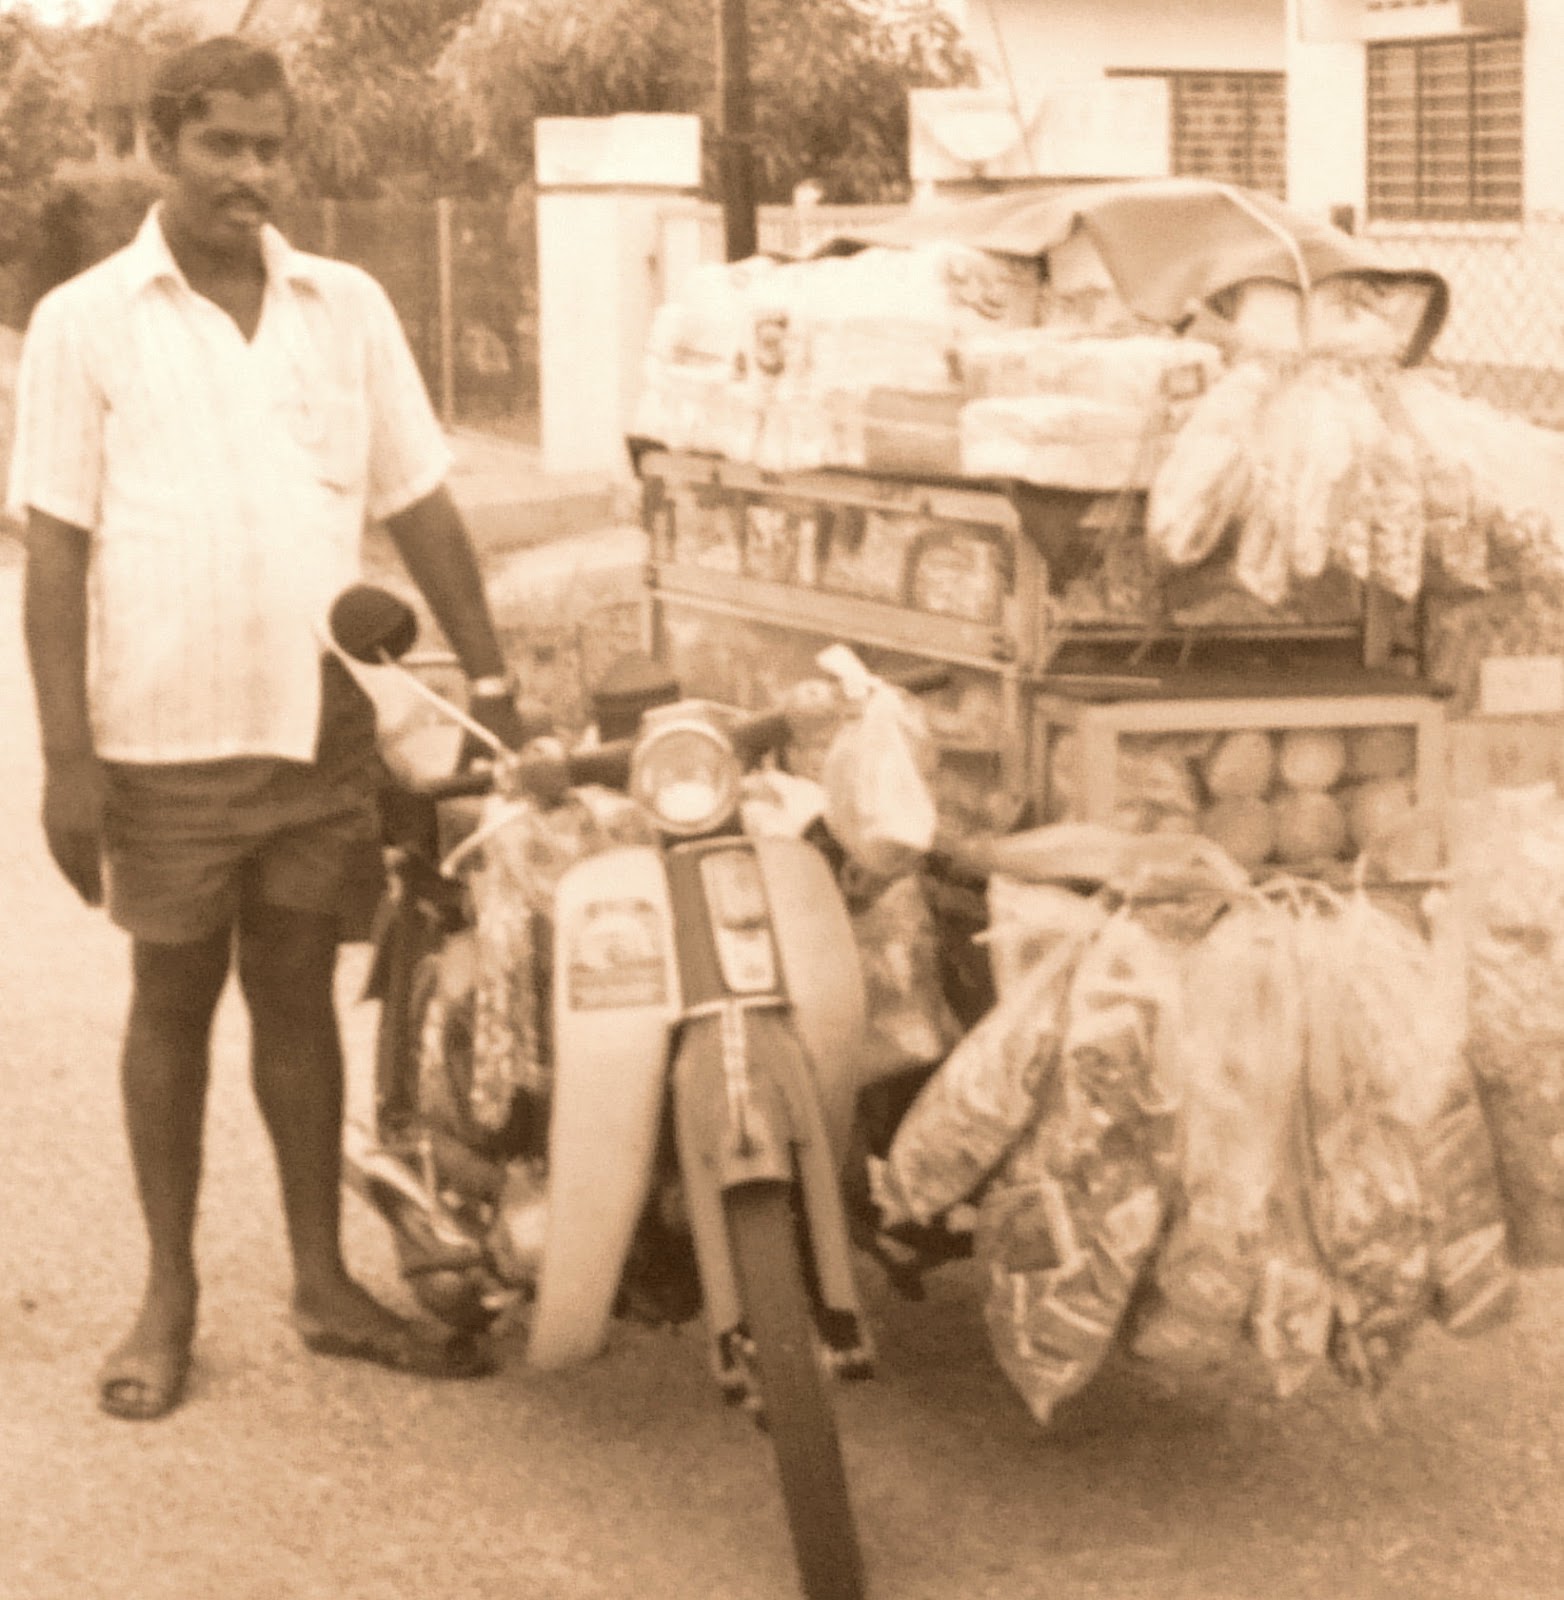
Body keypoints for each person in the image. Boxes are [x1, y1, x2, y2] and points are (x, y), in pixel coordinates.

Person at [7, 36, 535, 1420]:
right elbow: (53, 551)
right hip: (159, 737)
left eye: (268, 145)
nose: (252, 173)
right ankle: (167, 1296)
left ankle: (321, 1281)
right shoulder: (86, 321)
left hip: (319, 733)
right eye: (223, 145)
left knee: (298, 1004)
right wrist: (65, 760)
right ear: (165, 145)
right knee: (171, 1009)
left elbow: (418, 497)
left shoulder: (346, 306)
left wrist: (491, 679)